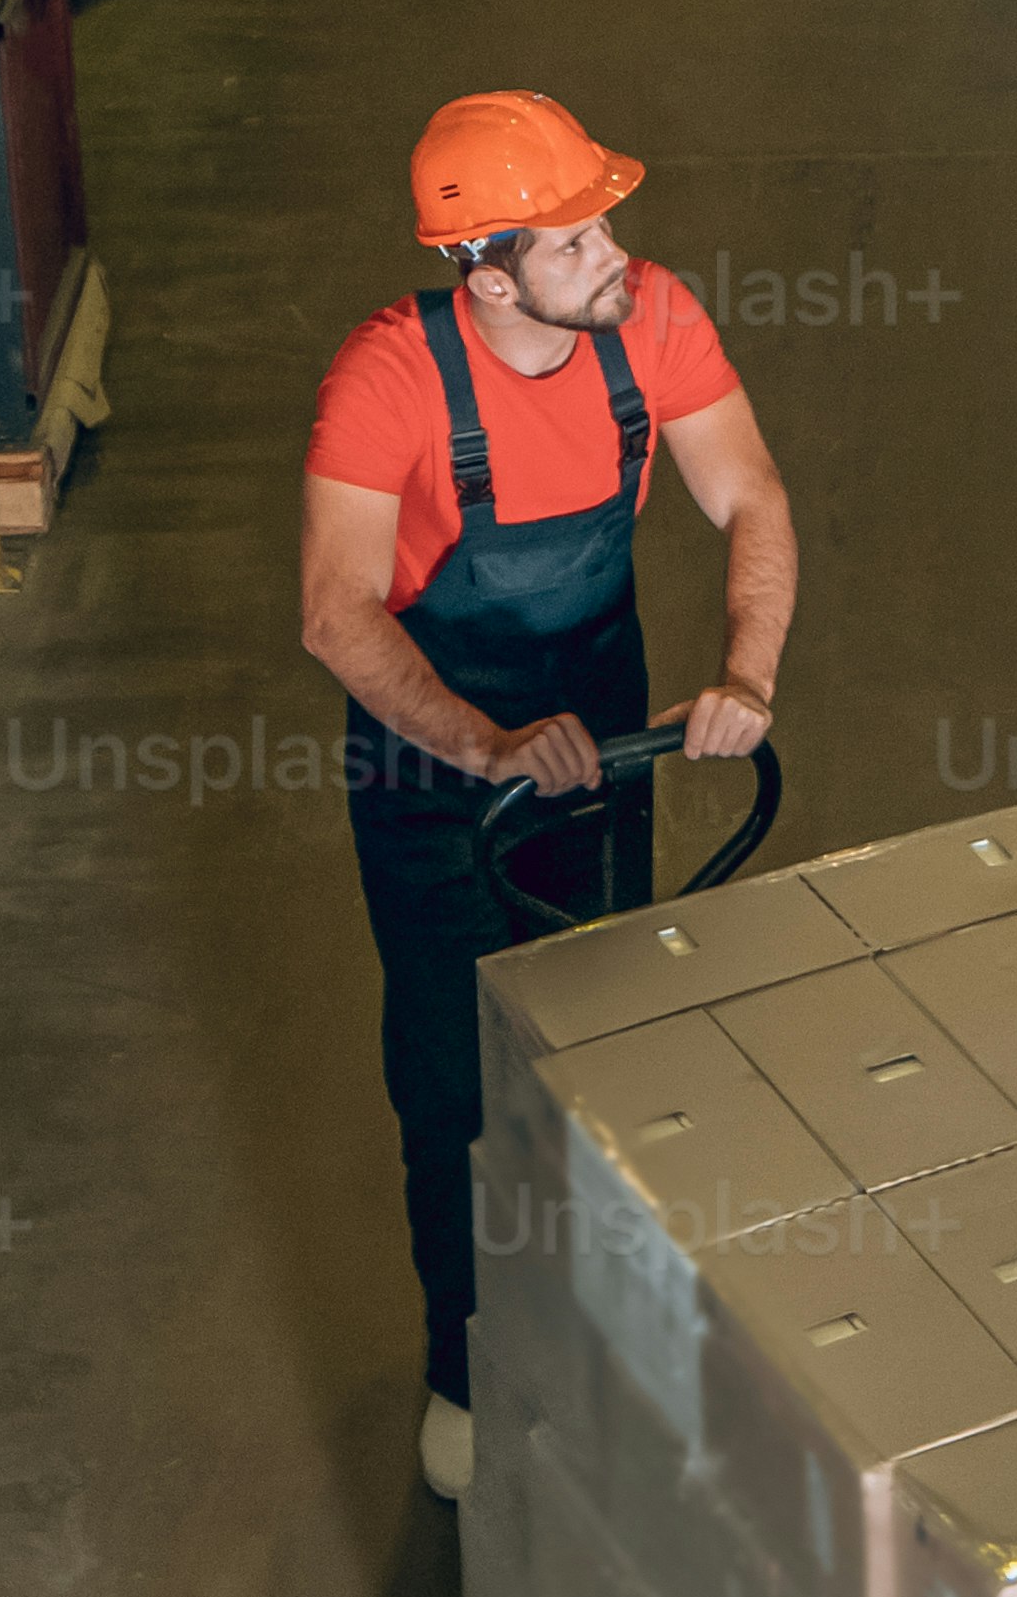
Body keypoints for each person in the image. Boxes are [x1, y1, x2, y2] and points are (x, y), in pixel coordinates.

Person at [299, 90, 797, 1504]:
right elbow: (337, 617)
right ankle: (465, 1374)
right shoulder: (387, 380)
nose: (615, 252)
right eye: (579, 238)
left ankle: (598, 1330)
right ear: (491, 272)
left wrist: (742, 680)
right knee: (456, 1081)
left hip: (593, 715)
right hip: (431, 754)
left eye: (607, 221)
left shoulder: (653, 320)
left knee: (602, 1041)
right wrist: (486, 748)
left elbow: (749, 497)